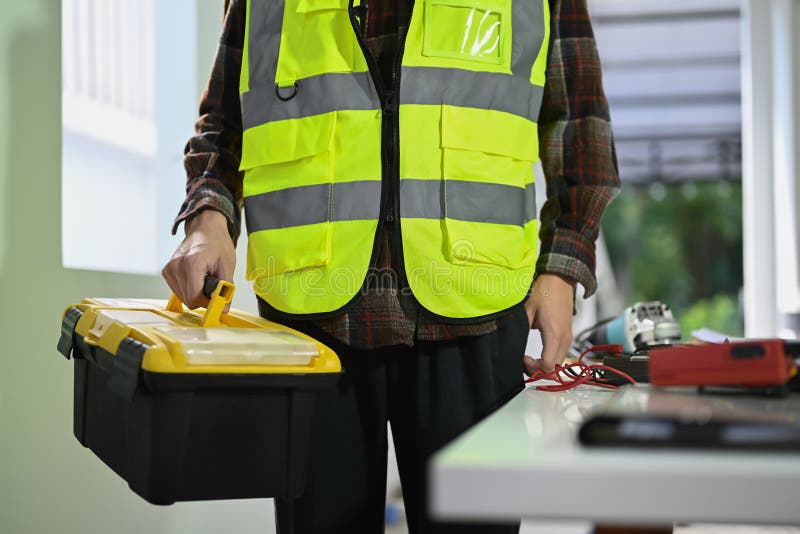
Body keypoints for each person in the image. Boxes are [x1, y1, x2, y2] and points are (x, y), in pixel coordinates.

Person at [163, 0, 620, 532]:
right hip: (311, 321)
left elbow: (582, 129)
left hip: (475, 313)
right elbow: (224, 118)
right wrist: (207, 218)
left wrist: (562, 267)